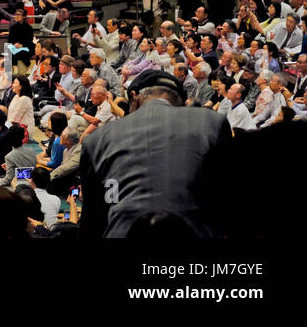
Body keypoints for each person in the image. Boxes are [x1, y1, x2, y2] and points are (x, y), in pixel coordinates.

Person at [79, 70, 231, 238]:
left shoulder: (97, 139)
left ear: (133, 96)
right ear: (181, 102)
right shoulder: (211, 122)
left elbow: (93, 220)